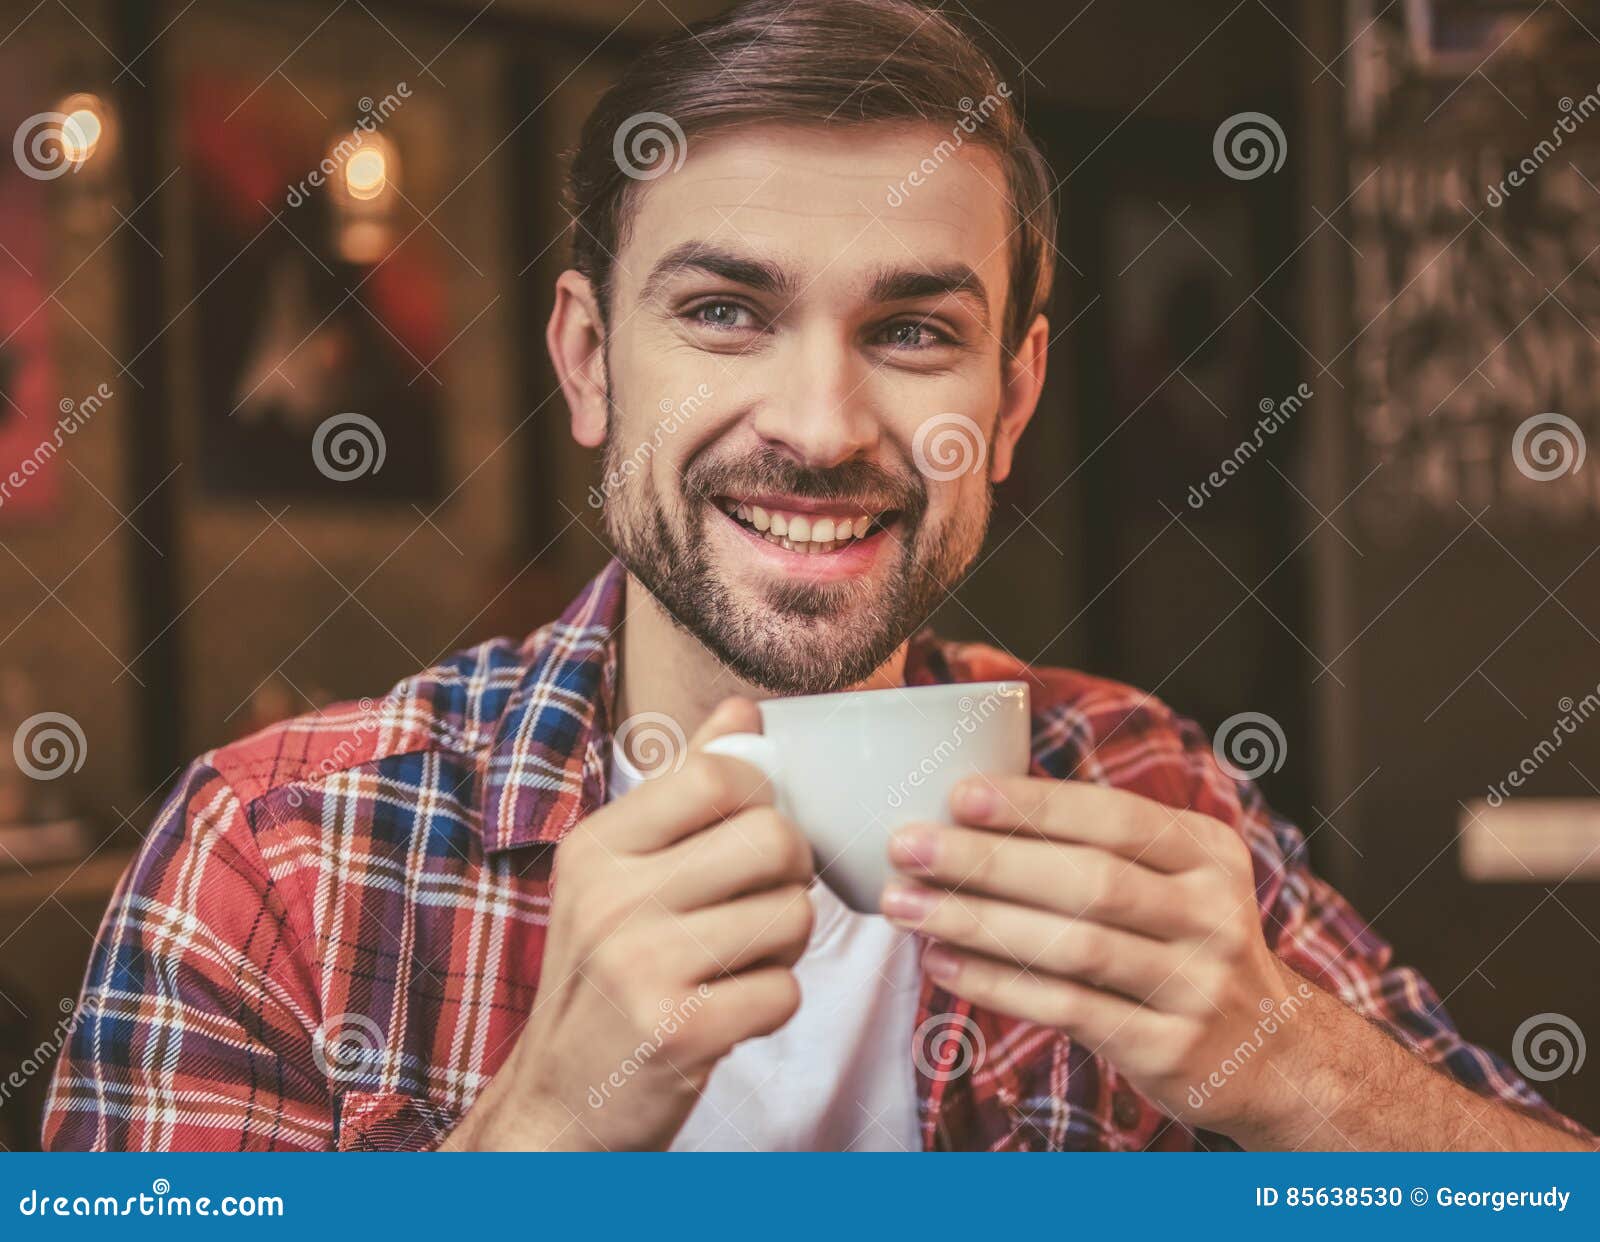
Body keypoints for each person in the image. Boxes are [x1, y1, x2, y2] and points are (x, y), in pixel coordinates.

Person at [43, 0, 1593, 1152]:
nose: (820, 424)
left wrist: (1290, 1061)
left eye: (914, 330)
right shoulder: (278, 858)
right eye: (724, 311)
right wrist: (536, 1142)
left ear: (1014, 398)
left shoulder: (1144, 780)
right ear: (588, 362)